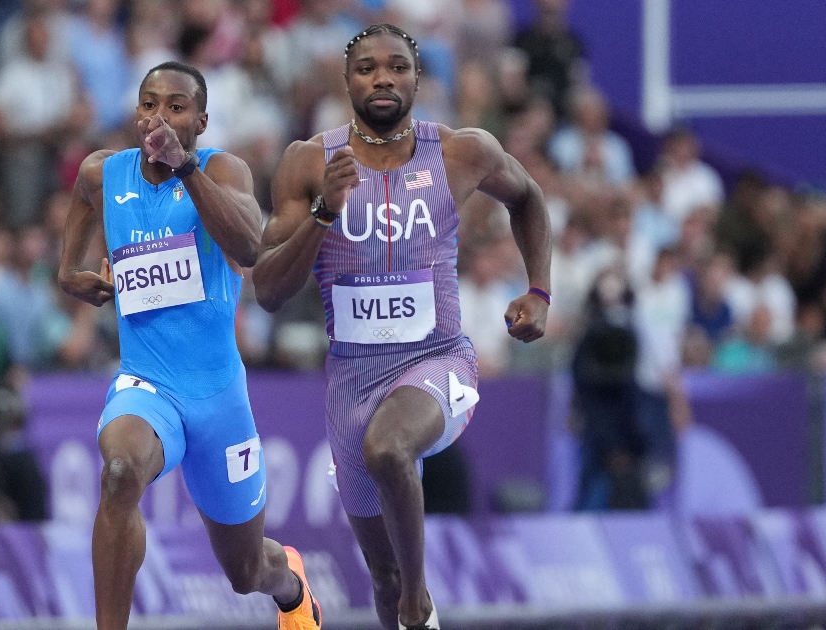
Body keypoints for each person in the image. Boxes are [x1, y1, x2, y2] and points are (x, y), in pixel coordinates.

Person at [253, 24, 552, 630]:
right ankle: (405, 597)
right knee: (380, 577)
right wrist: (321, 214)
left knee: (389, 449)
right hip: (350, 385)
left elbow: (528, 199)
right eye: (367, 68)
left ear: (418, 78)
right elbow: (268, 291)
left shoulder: (462, 151)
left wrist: (539, 291)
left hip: (439, 362)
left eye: (397, 67)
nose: (382, 78)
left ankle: (422, 601)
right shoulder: (309, 161)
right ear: (346, 81)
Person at [56, 62, 321, 630]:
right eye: (149, 103)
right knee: (121, 471)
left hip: (218, 398)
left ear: (200, 121)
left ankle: (292, 587)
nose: (159, 117)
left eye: (176, 107)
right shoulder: (104, 174)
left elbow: (250, 247)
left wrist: (188, 168)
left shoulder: (223, 169)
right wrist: (72, 275)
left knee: (247, 570)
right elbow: (72, 248)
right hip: (148, 386)